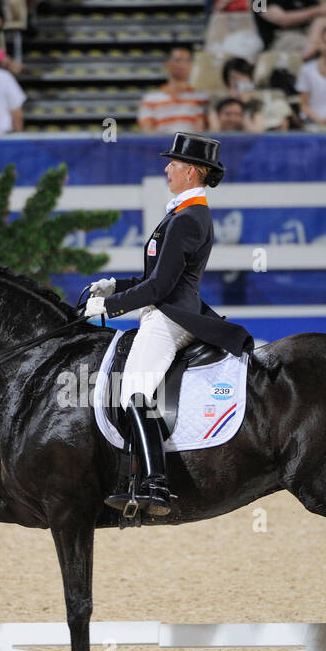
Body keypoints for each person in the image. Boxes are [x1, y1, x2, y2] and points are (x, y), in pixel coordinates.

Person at [83, 133, 252, 517]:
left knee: (133, 395)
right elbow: (158, 276)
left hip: (170, 317)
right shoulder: (183, 214)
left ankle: (155, 484)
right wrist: (116, 285)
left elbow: (160, 288)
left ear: (191, 171)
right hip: (167, 308)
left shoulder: (189, 218)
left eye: (173, 164)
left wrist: (109, 307)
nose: (166, 169)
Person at [138, 45, 209, 133]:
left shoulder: (202, 98)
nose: (182, 65)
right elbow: (148, 132)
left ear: (191, 66)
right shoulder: (150, 99)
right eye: (178, 60)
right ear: (167, 64)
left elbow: (204, 130)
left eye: (187, 61)